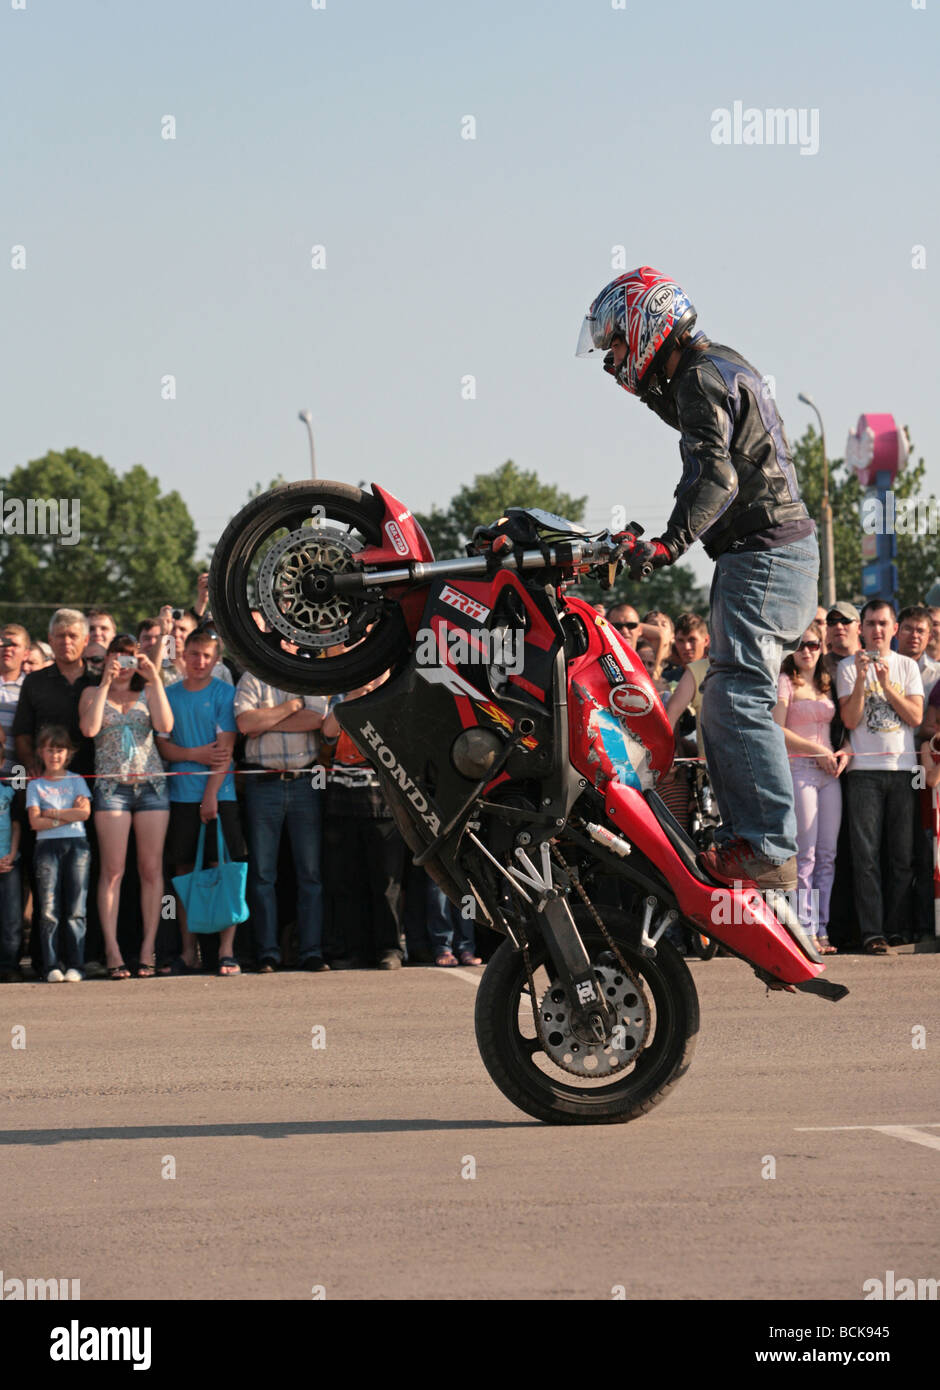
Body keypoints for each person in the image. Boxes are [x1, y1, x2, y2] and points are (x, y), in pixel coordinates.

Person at [577, 267, 817, 890]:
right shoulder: (714, 367)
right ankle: (752, 841)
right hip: (766, 555)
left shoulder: (699, 378)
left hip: (765, 555)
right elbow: (707, 458)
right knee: (726, 700)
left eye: (617, 346)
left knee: (735, 697)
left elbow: (718, 479)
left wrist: (665, 544)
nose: (612, 363)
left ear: (648, 327)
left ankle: (766, 846)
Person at [79, 634, 173, 979]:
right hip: (111, 788)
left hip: (152, 786)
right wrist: (105, 682)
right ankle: (112, 949)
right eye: (116, 657)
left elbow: (166, 725)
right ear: (106, 660)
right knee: (113, 871)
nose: (122, 665)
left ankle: (148, 947)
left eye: (129, 657)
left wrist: (154, 678)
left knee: (151, 870)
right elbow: (88, 729)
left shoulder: (148, 690)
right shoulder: (92, 692)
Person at [836, 599, 923, 953]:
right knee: (866, 856)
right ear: (863, 628)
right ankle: (873, 933)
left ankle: (897, 928)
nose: (877, 631)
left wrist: (888, 685)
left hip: (904, 770)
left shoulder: (906, 667)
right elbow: (851, 720)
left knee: (901, 856)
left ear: (893, 629)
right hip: (864, 775)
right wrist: (861, 678)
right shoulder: (846, 667)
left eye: (883, 624)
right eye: (870, 624)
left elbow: (916, 717)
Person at [158, 628, 244, 976]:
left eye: (207, 656)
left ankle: (226, 951)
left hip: (219, 797)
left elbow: (224, 751)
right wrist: (194, 753)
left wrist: (210, 797)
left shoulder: (226, 693)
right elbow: (164, 746)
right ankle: (187, 951)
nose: (200, 662)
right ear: (184, 655)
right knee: (184, 875)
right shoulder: (170, 695)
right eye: (194, 654)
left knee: (224, 871)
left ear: (216, 659)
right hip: (181, 798)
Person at [234, 670, 329, 972]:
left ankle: (311, 951)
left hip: (305, 783)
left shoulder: (306, 673)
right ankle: (267, 953)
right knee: (262, 875)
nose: (286, 640)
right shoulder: (252, 677)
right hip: (263, 784)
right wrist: (290, 708)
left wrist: (267, 722)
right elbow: (246, 724)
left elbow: (317, 719)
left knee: (310, 874)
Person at [773, 622, 848, 953]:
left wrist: (842, 751)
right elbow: (777, 727)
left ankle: (821, 927)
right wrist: (817, 750)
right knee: (805, 855)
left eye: (814, 645)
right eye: (801, 645)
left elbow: (844, 730)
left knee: (828, 855)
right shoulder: (786, 681)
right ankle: (803, 927)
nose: (807, 651)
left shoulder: (827, 682)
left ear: (822, 647)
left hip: (829, 774)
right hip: (799, 768)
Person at [26, 725, 92, 982]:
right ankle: (51, 965)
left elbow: (84, 814)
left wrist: (51, 813)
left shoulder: (76, 780)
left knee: (76, 907)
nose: (55, 755)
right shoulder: (36, 785)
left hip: (77, 845)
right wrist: (67, 815)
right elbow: (34, 823)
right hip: (46, 847)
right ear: (41, 752)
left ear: (68, 753)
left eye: (60, 750)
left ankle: (77, 965)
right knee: (48, 910)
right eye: (50, 750)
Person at [0, 625, 30, 777]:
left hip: (17, 776)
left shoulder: (31, 688)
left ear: (26, 654)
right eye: (3, 643)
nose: (7, 649)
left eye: (14, 645)